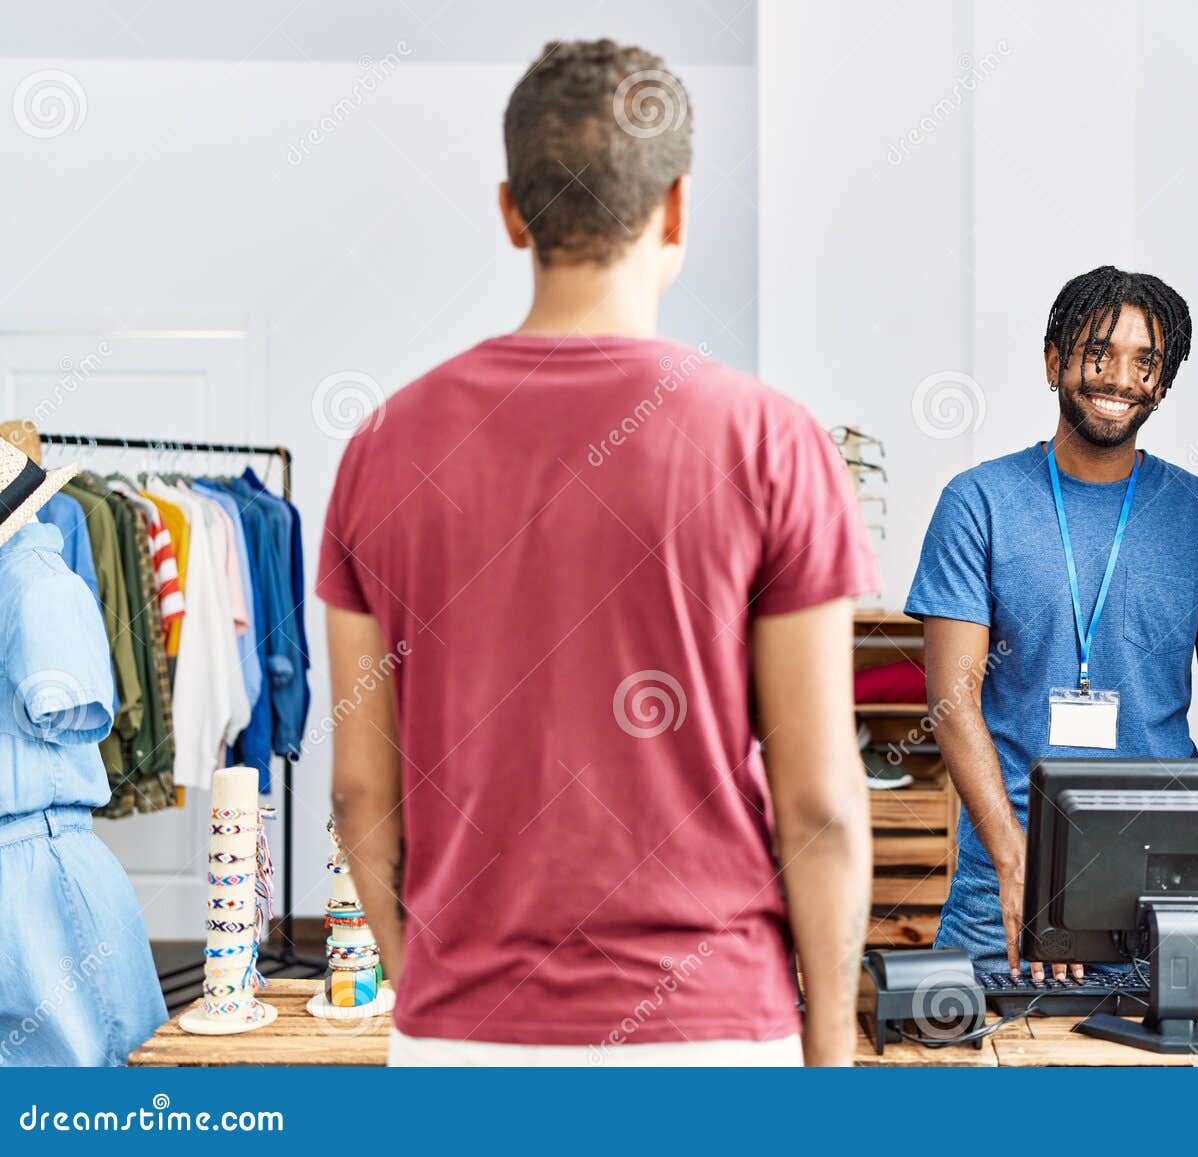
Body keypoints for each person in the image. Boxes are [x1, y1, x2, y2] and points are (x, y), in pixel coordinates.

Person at [317, 39, 877, 1067]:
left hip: (460, 1036)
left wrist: (422, 987)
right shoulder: (769, 439)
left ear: (511, 211)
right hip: (712, 1033)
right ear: (674, 209)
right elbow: (820, 802)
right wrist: (829, 1062)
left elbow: (359, 790)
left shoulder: (382, 445)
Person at [906, 266, 1198, 982]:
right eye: (1099, 353)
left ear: (1162, 384)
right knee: (990, 1080)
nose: (1120, 378)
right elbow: (952, 702)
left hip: (1166, 879)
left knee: (1159, 1087)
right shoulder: (977, 501)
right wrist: (1012, 858)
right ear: (1053, 360)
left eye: (1146, 362)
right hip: (1010, 869)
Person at [0, 440, 166, 1066]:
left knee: (90, 1076)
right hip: (23, 864)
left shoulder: (41, 591)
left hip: (40, 868)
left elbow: (67, 712)